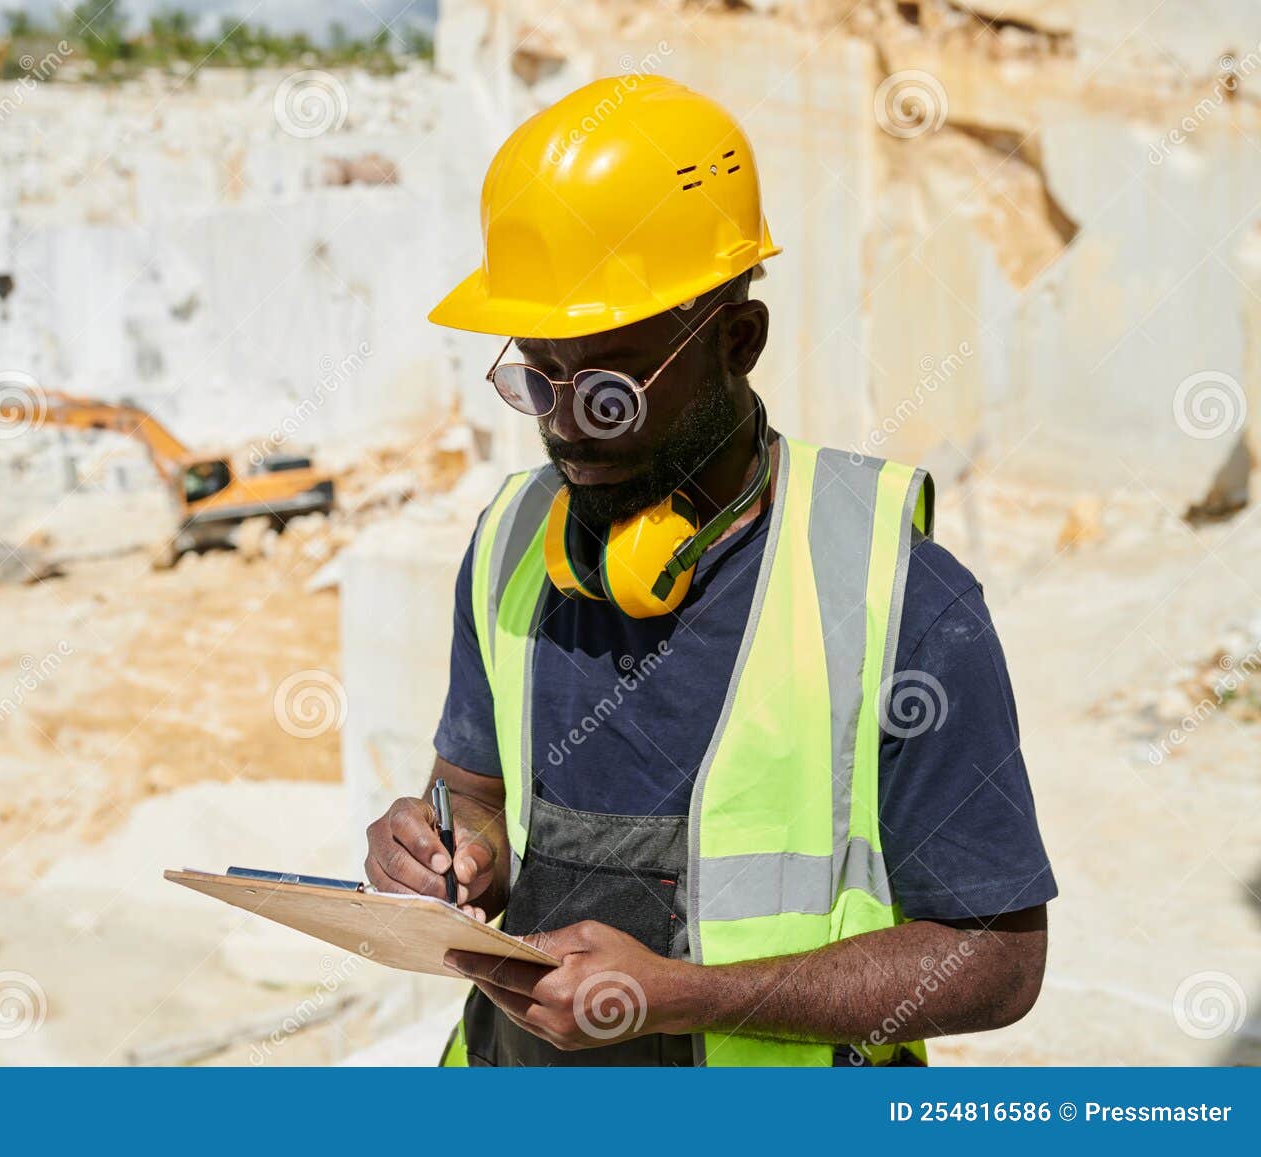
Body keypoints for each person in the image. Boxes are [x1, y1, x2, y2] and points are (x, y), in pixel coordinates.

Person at [364, 75, 1055, 1067]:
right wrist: (450, 847)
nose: (566, 423)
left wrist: (683, 996)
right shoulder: (513, 541)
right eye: (538, 377)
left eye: (609, 382)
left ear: (738, 340)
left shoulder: (897, 597)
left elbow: (997, 962)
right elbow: (469, 786)